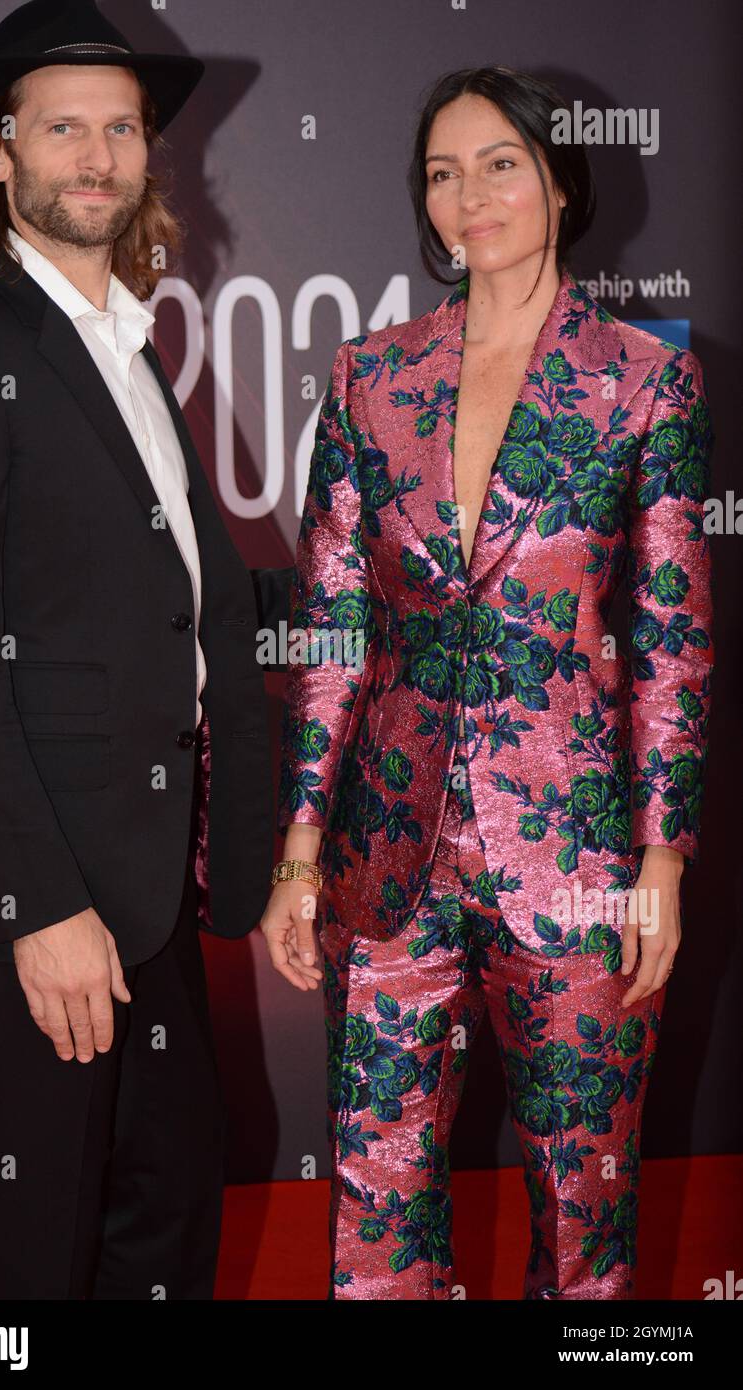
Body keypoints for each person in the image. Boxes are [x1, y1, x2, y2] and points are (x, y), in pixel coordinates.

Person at [262, 65, 714, 1299]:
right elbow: (333, 628)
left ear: (559, 184)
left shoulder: (641, 378)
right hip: (385, 850)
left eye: (499, 163)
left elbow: (669, 642)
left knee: (585, 1209)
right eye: (441, 173)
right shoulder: (369, 377)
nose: (470, 195)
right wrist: (300, 847)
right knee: (378, 1202)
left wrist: (661, 863)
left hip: (577, 856)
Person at [0, 0, 292, 1300]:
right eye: (64, 127)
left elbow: (184, 614)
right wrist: (42, 907)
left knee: (164, 1193)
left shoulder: (125, 348)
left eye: (120, 127)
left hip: (143, 883)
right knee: (37, 1235)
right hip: (37, 893)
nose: (98, 155)